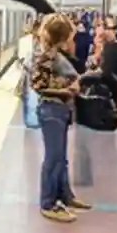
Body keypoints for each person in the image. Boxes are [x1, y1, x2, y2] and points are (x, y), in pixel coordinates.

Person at [30, 16, 92, 222]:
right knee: (53, 158)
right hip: (51, 111)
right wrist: (66, 88)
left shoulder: (55, 54)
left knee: (61, 158)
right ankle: (48, 203)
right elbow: (38, 85)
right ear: (62, 36)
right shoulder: (45, 56)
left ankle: (65, 195)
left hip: (60, 110)